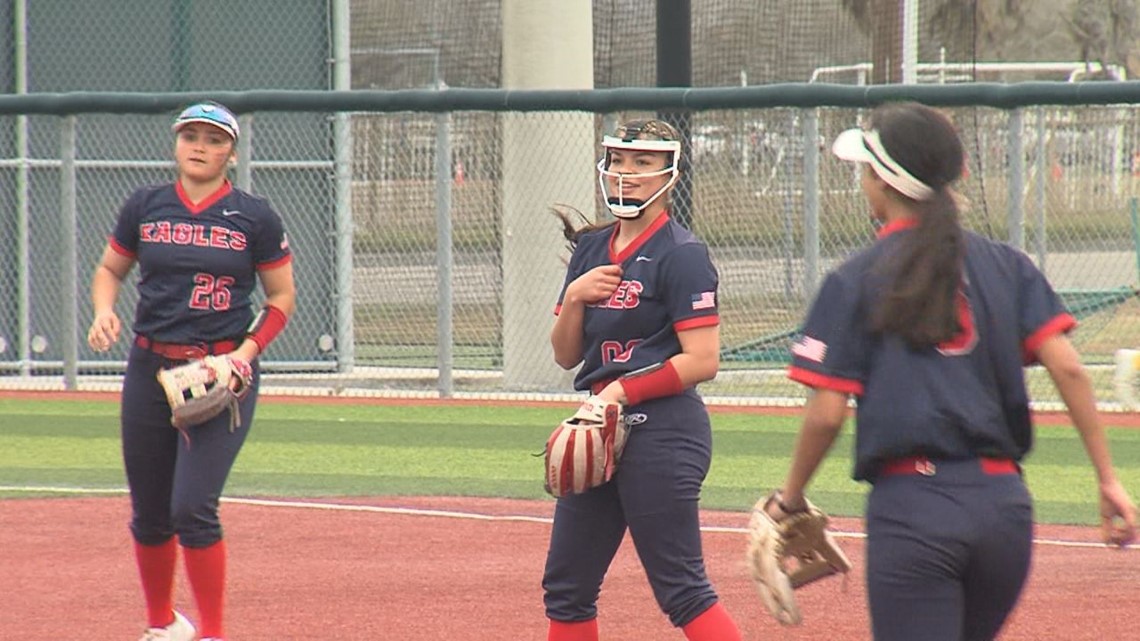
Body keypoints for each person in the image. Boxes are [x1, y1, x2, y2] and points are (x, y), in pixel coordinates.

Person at [769, 101, 1137, 641]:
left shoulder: (854, 279)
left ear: (883, 180)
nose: (862, 181)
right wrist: (1107, 479)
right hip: (1004, 511)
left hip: (914, 512)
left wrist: (791, 498)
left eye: (865, 169)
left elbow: (826, 416)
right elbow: (1069, 368)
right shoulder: (1007, 264)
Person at [87, 101, 296, 641]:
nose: (200, 147)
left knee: (193, 508)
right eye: (190, 136)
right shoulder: (146, 206)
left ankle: (213, 634)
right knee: (151, 511)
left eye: (214, 139)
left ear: (232, 151)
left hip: (221, 371)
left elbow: (281, 297)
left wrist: (245, 355)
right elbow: (111, 269)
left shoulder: (254, 216)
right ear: (176, 144)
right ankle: (161, 624)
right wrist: (103, 309)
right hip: (150, 366)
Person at [543, 119, 742, 641]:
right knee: (566, 588)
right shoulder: (591, 251)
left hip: (664, 429)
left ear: (669, 174)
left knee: (681, 589)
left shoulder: (681, 254)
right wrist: (577, 297)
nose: (625, 174)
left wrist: (619, 391)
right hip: (599, 425)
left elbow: (703, 359)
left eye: (642, 163)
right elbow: (566, 355)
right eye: (618, 162)